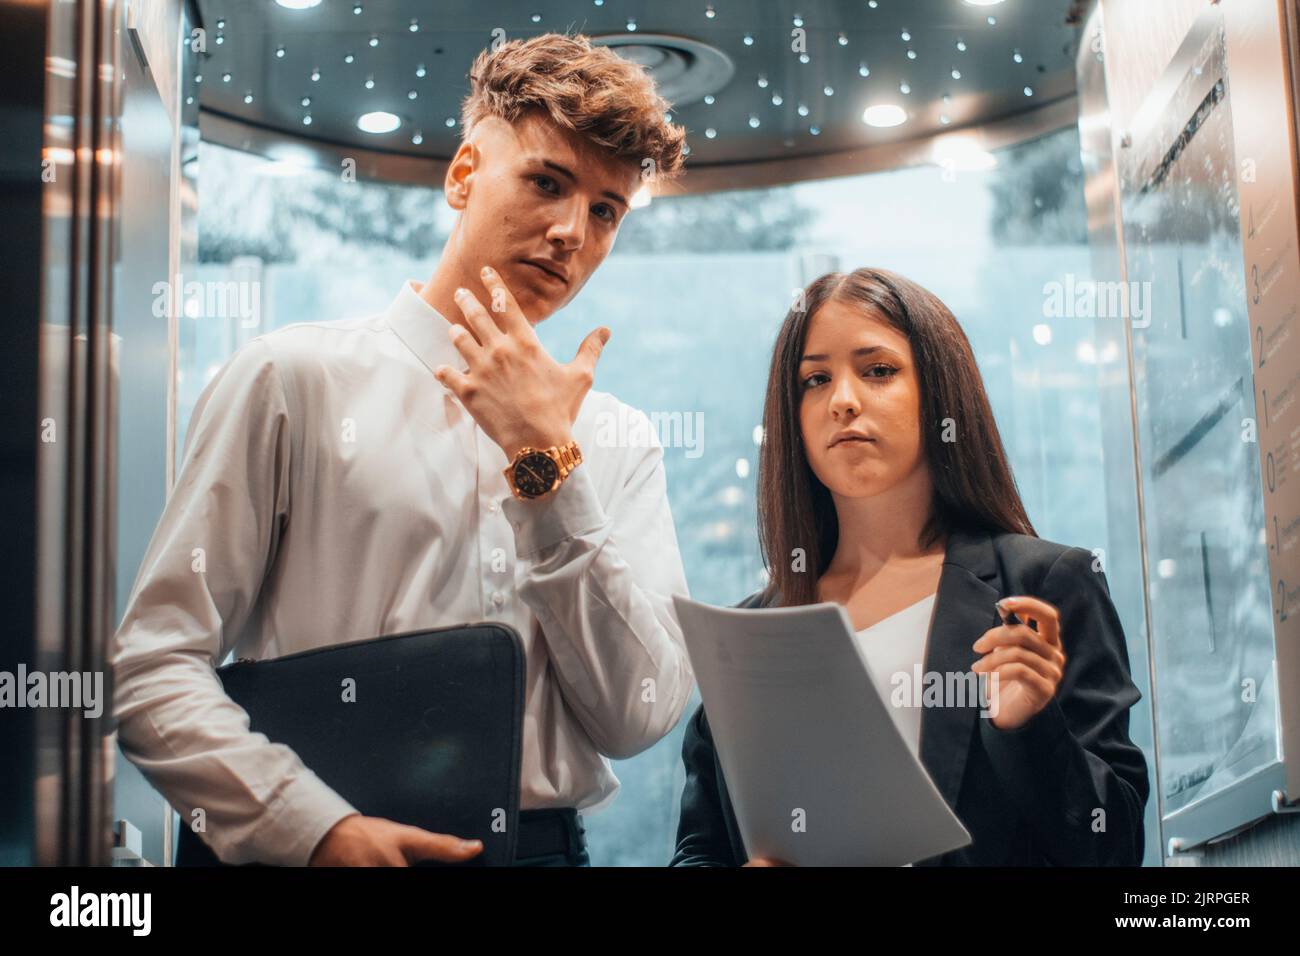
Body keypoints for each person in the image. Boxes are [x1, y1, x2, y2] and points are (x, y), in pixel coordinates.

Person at [111, 33, 693, 867]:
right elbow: (153, 666)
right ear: (463, 177)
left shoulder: (620, 440)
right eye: (547, 182)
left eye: (605, 211)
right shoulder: (292, 380)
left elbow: (638, 715)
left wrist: (548, 470)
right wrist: (311, 829)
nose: (572, 232)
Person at [671, 268, 1149, 866]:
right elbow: (699, 850)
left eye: (878, 371)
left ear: (942, 392)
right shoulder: (745, 636)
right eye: (815, 379)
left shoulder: (1046, 586)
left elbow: (1118, 849)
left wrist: (1027, 730)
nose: (842, 400)